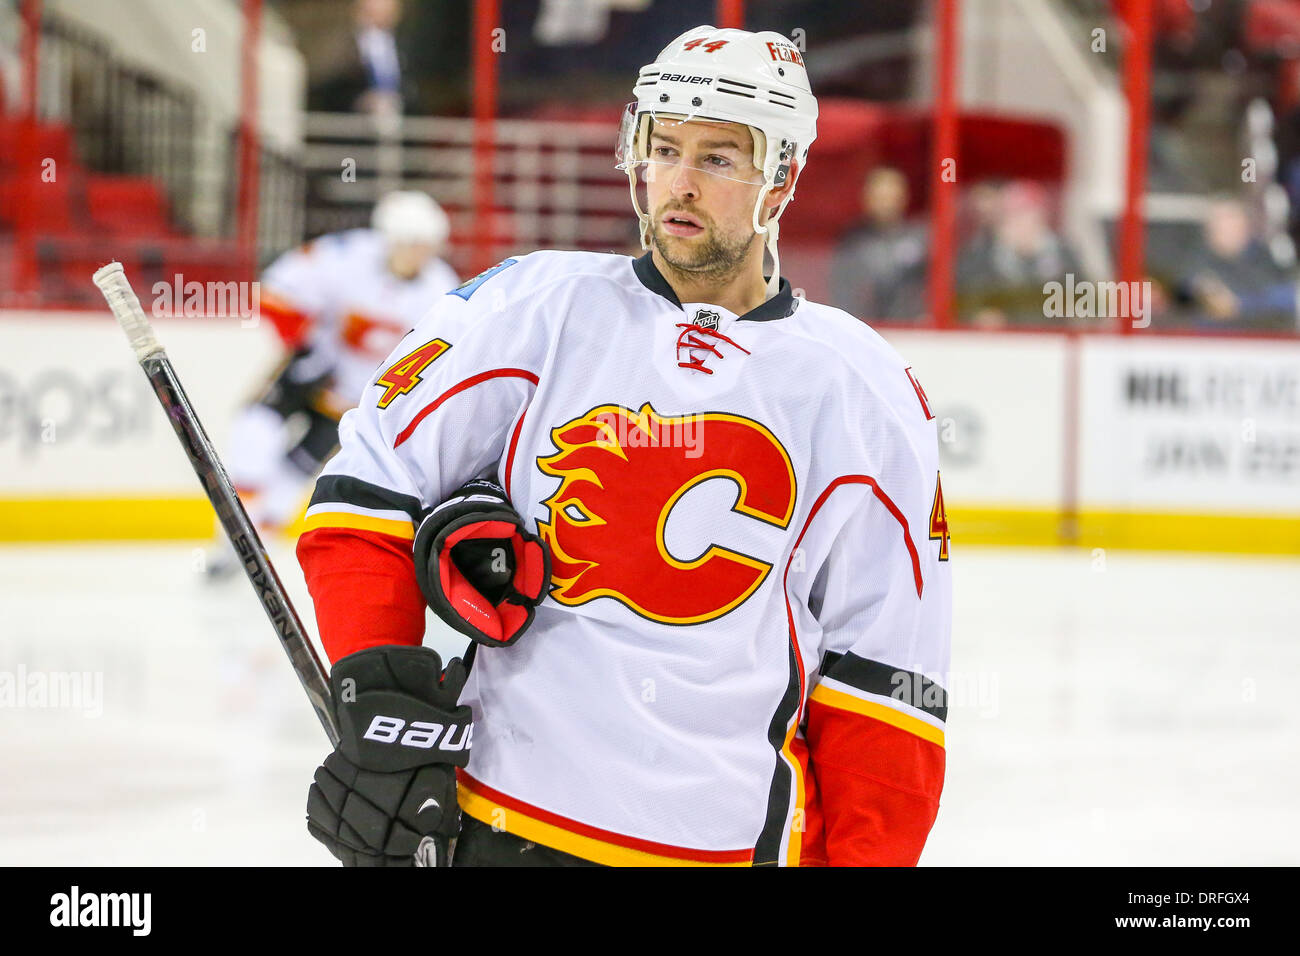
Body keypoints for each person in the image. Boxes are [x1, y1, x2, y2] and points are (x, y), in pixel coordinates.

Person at [297, 25, 951, 867]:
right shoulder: (526, 310)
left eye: (719, 158)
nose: (679, 182)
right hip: (493, 823)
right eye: (663, 147)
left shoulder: (864, 390)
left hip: (720, 846)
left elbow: (887, 680)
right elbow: (367, 493)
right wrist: (380, 698)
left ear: (783, 177)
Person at [209, 191, 457, 573]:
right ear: (388, 237)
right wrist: (302, 340)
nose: (415, 254)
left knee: (298, 472)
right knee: (253, 431)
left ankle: (258, 543)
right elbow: (278, 289)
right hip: (313, 369)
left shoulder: (440, 288)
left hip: (355, 399)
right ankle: (232, 536)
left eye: (424, 245)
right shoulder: (346, 255)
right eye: (408, 243)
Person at [955, 179, 1082, 327]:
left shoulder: (1064, 256)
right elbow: (962, 302)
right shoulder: (979, 257)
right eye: (1011, 216)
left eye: (1026, 214)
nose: (1019, 224)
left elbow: (1083, 302)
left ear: (1042, 218)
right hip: (1002, 345)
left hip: (1050, 343)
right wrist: (979, 313)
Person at [1175, 196, 1297, 331]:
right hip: (1210, 344)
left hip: (1263, 342)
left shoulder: (1267, 260)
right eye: (1221, 226)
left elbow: (1290, 296)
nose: (1229, 231)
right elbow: (1183, 303)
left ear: (1247, 228)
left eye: (1234, 224)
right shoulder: (1196, 264)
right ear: (1208, 231)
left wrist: (1241, 304)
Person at [829, 167, 928, 320]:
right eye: (879, 196)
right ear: (866, 197)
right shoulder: (852, 243)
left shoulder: (920, 238)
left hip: (912, 329)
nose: (886, 203)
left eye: (891, 195)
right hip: (866, 326)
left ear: (903, 196)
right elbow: (843, 293)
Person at [307, 0, 407, 116]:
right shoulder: (339, 45)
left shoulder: (403, 46)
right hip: (350, 123)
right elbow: (324, 85)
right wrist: (359, 101)